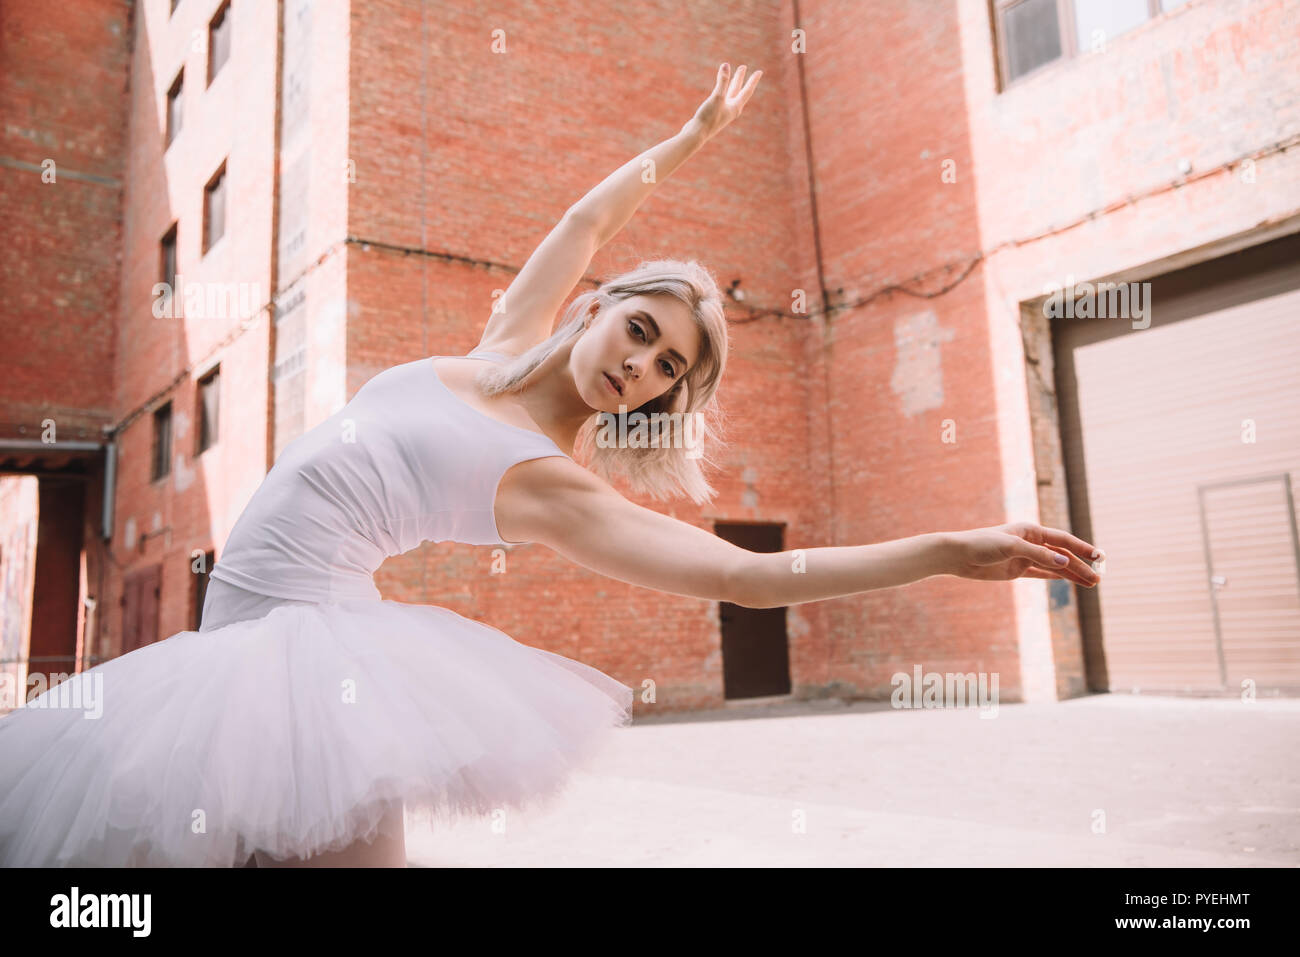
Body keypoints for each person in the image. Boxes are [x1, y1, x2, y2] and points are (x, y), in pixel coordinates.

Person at [0, 62, 1101, 867]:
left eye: (670, 368)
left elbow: (751, 577)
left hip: (303, 650)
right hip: (232, 643)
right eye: (642, 333)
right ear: (596, 310)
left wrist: (948, 550)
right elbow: (583, 217)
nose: (647, 368)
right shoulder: (500, 346)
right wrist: (688, 140)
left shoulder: (553, 482)